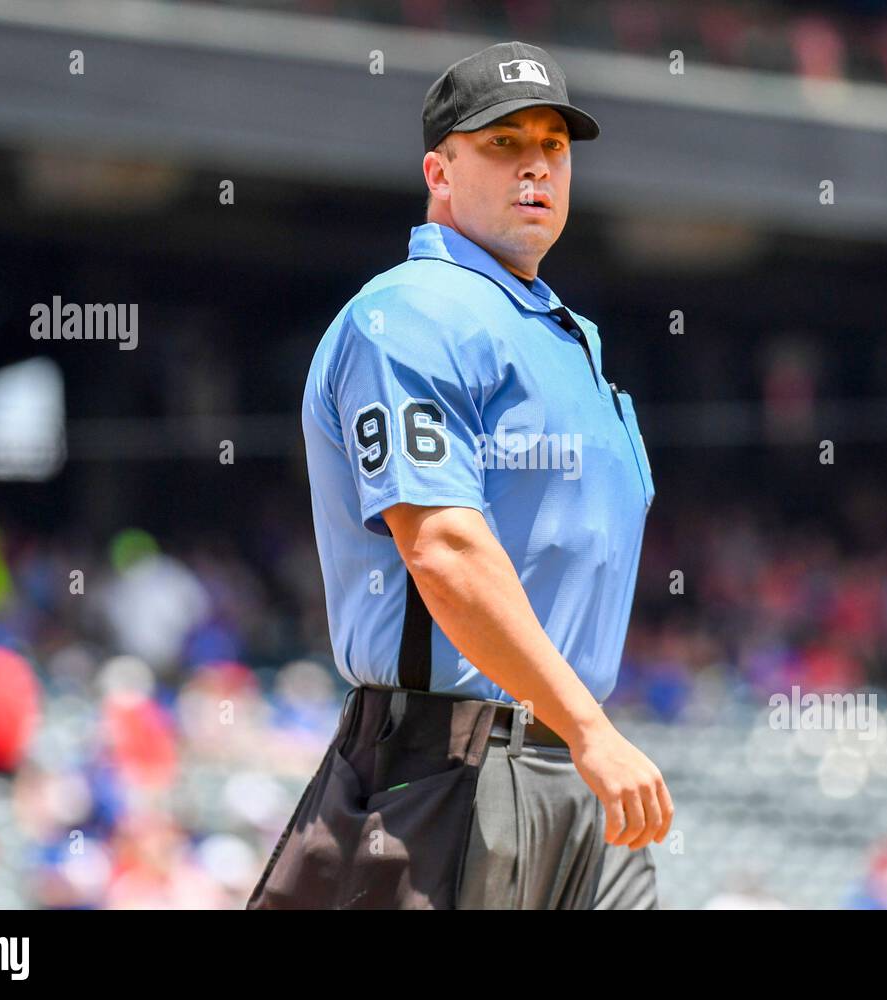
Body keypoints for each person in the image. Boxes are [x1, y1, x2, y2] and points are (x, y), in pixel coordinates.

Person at [247, 40, 670, 910]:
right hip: (447, 768)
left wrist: (587, 737)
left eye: (553, 145)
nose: (536, 167)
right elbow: (442, 546)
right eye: (503, 143)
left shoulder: (567, 336)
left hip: (575, 767)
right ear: (439, 170)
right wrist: (591, 732)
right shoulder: (411, 312)